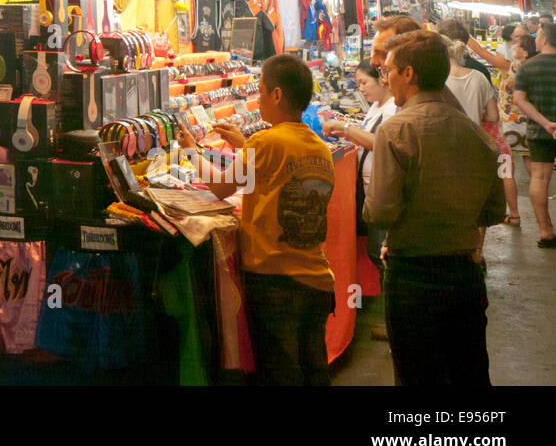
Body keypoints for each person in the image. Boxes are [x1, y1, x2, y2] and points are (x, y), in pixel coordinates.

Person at [178, 54, 335, 386]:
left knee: (281, 375)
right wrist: (245, 144)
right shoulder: (319, 148)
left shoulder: (265, 142)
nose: (259, 98)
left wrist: (191, 152)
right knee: (314, 372)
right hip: (318, 280)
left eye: (261, 90)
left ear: (277, 95)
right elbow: (276, 175)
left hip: (276, 281)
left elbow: (221, 187)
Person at [364, 30, 505, 385]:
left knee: (417, 376)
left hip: (413, 276)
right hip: (465, 274)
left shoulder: (395, 131)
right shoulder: (477, 134)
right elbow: (494, 212)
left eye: (389, 71)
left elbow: (381, 212)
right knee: (468, 374)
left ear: (409, 74)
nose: (386, 79)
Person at [321, 60, 396, 339]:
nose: (360, 89)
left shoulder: (393, 110)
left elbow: (380, 144)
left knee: (383, 253)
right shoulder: (376, 108)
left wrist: (344, 128)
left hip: (381, 187)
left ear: (383, 80)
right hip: (369, 187)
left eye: (365, 83)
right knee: (377, 251)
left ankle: (394, 323)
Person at [446, 40, 521, 227]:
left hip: (451, 144)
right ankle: (510, 216)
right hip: (484, 142)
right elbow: (493, 116)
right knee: (502, 175)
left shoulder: (439, 81)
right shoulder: (479, 76)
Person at [512, 22, 556, 248]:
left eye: (537, 35)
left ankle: (545, 230)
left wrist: (546, 123)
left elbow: (519, 99)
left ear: (545, 39)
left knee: (539, 178)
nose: (535, 39)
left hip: (539, 132)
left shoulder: (528, 67)